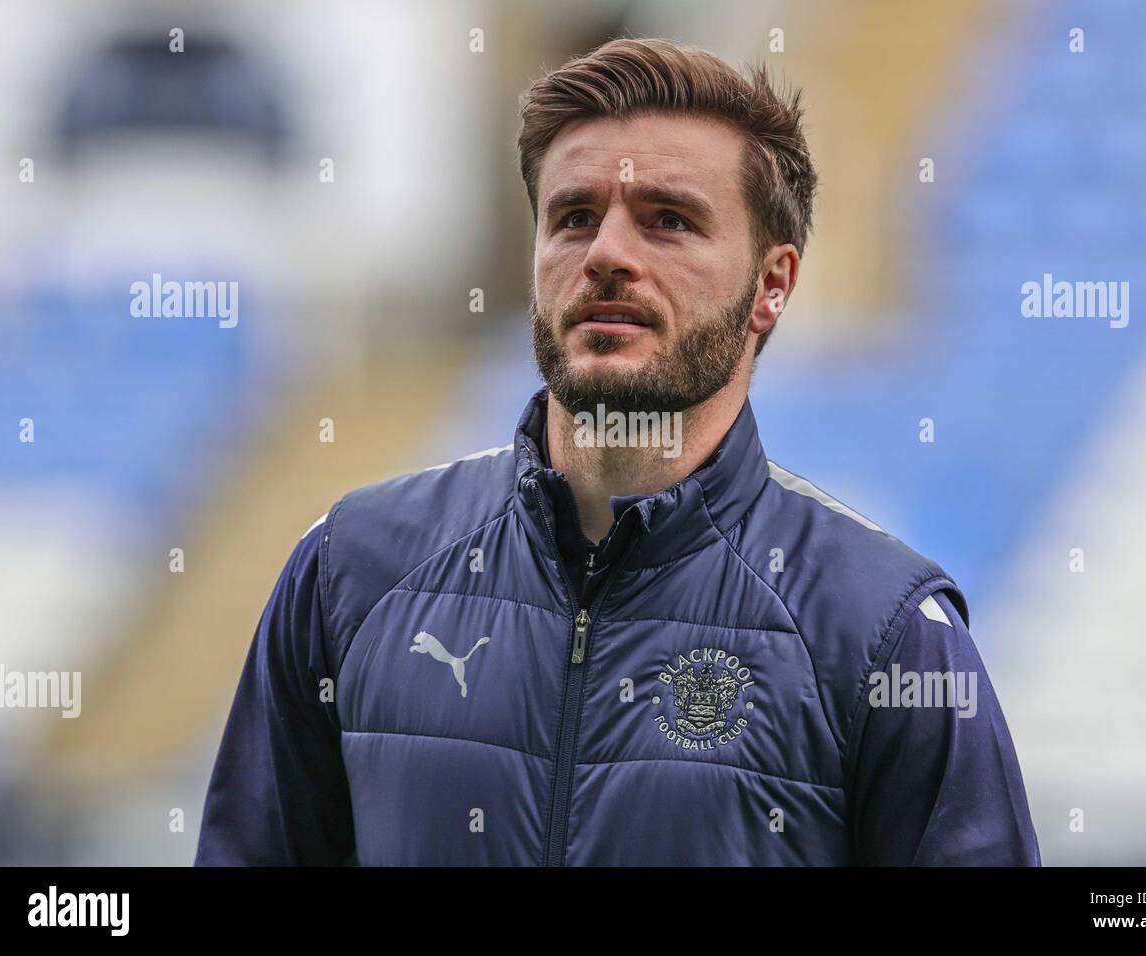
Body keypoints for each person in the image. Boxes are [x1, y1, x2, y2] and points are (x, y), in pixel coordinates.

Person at [195, 37, 1040, 866]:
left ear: (771, 284)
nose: (605, 256)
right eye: (574, 218)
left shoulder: (883, 630)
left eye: (668, 221)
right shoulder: (351, 570)